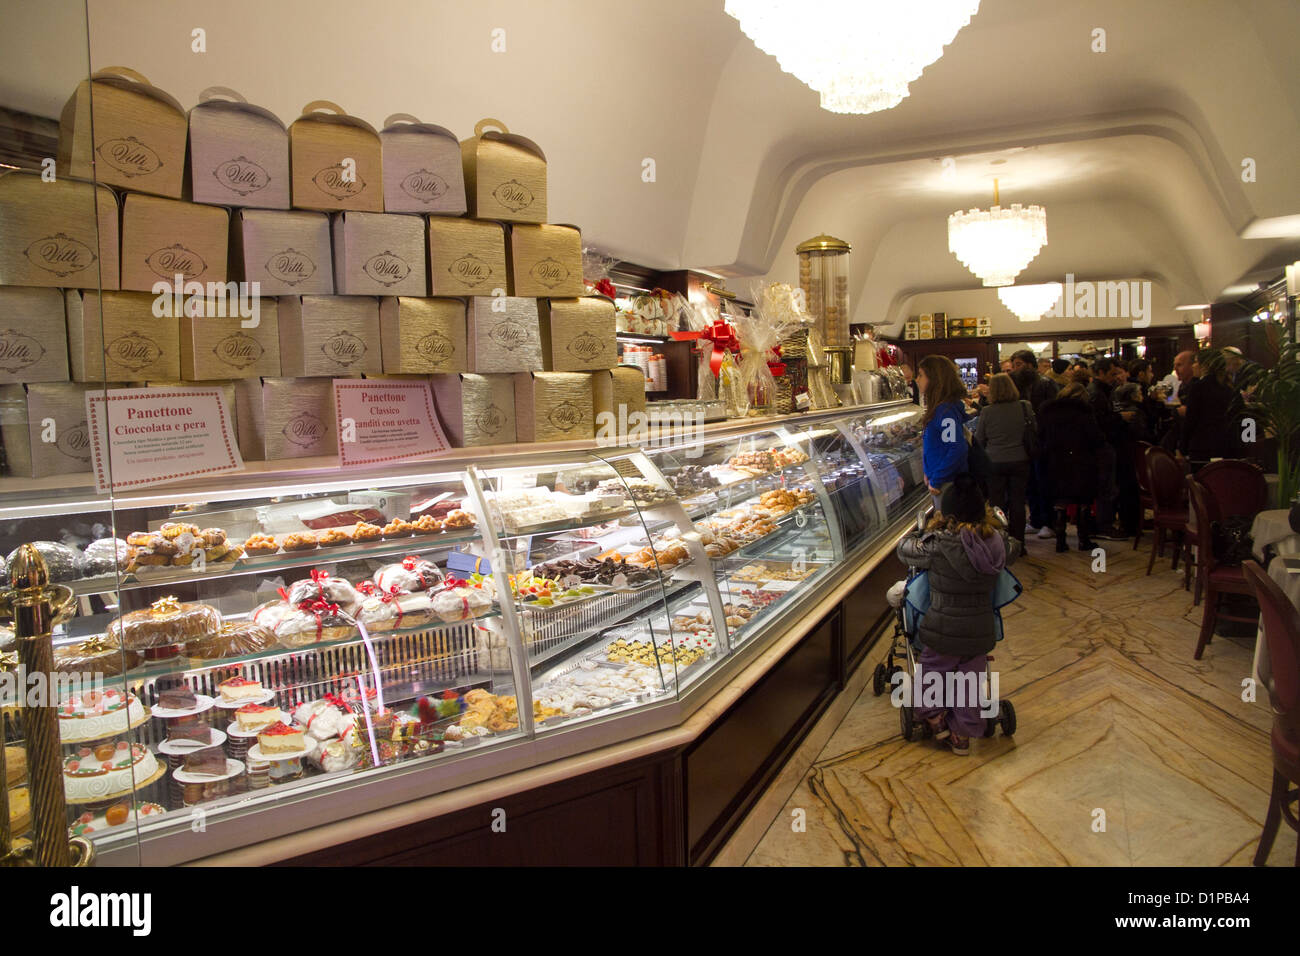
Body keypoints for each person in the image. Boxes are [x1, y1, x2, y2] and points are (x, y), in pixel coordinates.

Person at [896, 474, 1020, 756]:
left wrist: (919, 533)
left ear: (946, 513)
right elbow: (1014, 547)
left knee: (931, 672)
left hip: (942, 628)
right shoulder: (997, 543)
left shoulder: (937, 545)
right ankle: (962, 735)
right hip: (980, 630)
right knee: (970, 681)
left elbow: (903, 551)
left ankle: (933, 717)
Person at [1037, 383, 1105, 551]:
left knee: (1060, 501)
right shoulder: (1084, 412)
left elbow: (1040, 436)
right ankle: (1083, 540)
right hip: (1082, 461)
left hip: (1055, 460)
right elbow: (1095, 438)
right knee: (1083, 501)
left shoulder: (1049, 411)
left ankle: (1060, 541)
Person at [975, 373, 1033, 548]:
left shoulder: (987, 411)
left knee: (996, 503)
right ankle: (1019, 543)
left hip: (994, 462)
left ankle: (999, 542)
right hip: (1020, 459)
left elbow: (979, 439)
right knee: (1018, 502)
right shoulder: (1024, 407)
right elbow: (1032, 430)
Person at [916, 355, 970, 511]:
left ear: (934, 379)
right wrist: (928, 472)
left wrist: (937, 479)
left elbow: (957, 448)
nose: (917, 379)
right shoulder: (942, 408)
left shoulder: (944, 411)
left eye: (921, 375)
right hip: (942, 479)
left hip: (948, 483)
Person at [1180, 352, 1242, 470]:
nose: (1193, 365)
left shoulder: (1199, 387)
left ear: (1205, 366)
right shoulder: (1230, 388)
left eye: (1196, 362)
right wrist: (1247, 442)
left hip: (1202, 448)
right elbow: (1245, 418)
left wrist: (1182, 448)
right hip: (1228, 447)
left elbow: (1190, 421)